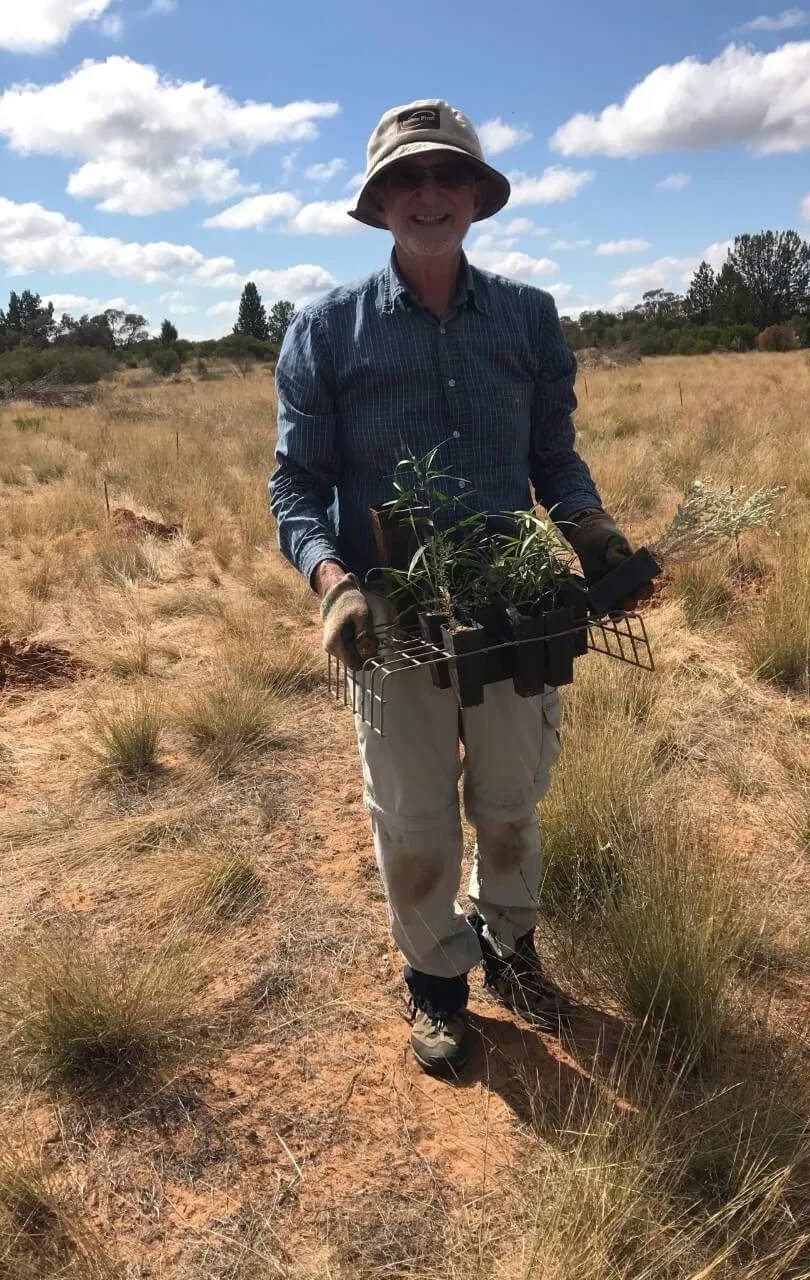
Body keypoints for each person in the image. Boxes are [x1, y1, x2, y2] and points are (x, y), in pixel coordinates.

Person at [269, 99, 648, 1075]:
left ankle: (511, 950)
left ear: (476, 194)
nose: (428, 195)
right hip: (392, 622)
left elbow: (553, 460)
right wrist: (335, 583)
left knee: (514, 799)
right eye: (407, 179)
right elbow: (296, 486)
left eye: (446, 176)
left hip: (514, 611)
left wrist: (591, 530)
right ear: (380, 201)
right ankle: (437, 983)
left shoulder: (526, 319)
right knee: (416, 815)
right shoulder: (327, 332)